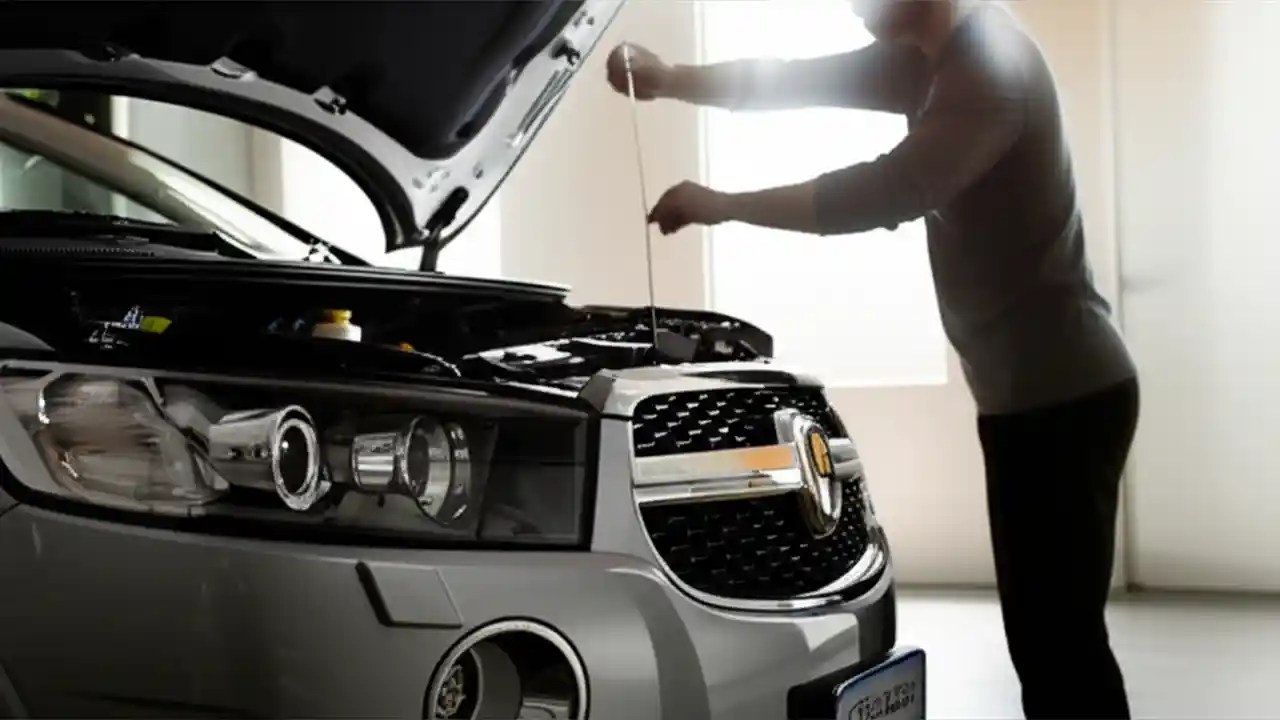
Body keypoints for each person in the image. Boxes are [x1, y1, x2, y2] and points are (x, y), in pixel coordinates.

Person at [606, 1, 1139, 718]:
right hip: (1025, 403)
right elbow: (790, 82)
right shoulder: (925, 59)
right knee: (1045, 645)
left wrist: (722, 204)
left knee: (1060, 649)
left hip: (1065, 403)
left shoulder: (989, 64)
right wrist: (671, 79)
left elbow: (884, 192)